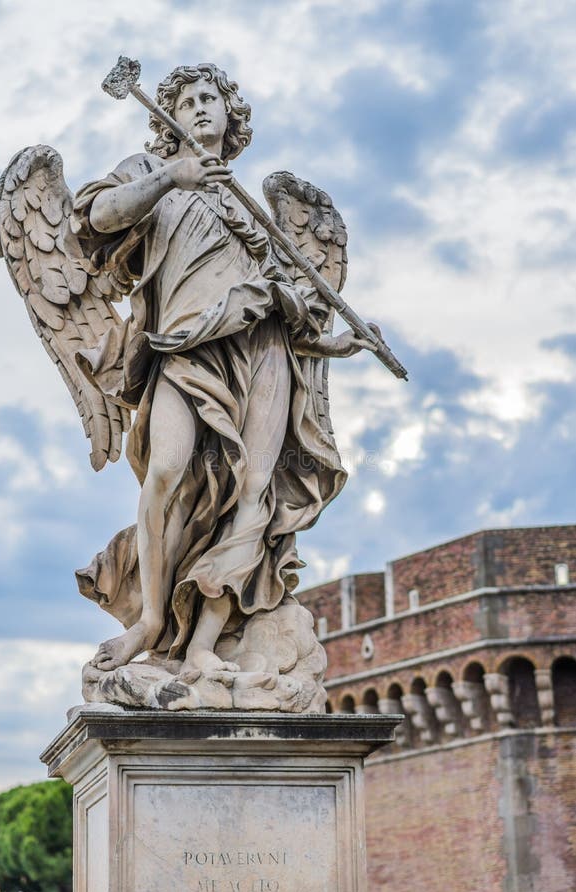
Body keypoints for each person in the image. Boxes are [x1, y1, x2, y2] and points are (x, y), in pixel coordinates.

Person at [68, 64, 365, 676]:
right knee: (168, 471)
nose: (200, 107)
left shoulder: (251, 207)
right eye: (187, 101)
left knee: (254, 490)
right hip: (185, 349)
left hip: (264, 352)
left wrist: (332, 345)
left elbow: (284, 302)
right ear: (169, 118)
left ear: (231, 116)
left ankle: (205, 642)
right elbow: (96, 218)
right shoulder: (150, 172)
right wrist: (171, 177)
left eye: (211, 98)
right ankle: (152, 620)